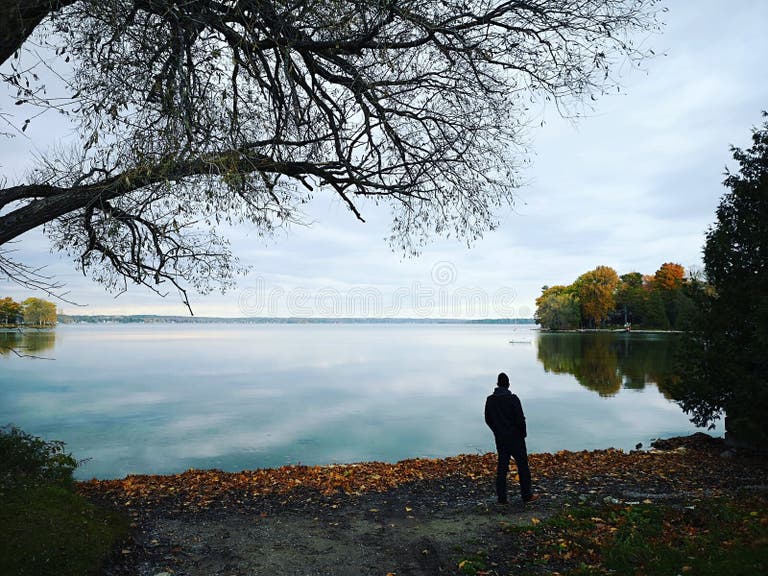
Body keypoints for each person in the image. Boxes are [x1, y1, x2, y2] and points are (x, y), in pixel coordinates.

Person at [484, 372, 539, 504]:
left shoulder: (490, 400)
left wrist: (496, 431)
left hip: (501, 439)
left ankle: (502, 498)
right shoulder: (513, 399)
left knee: (502, 467)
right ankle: (526, 495)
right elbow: (520, 419)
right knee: (523, 467)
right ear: (508, 384)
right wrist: (523, 433)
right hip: (516, 438)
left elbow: (488, 419)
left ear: (497, 384)